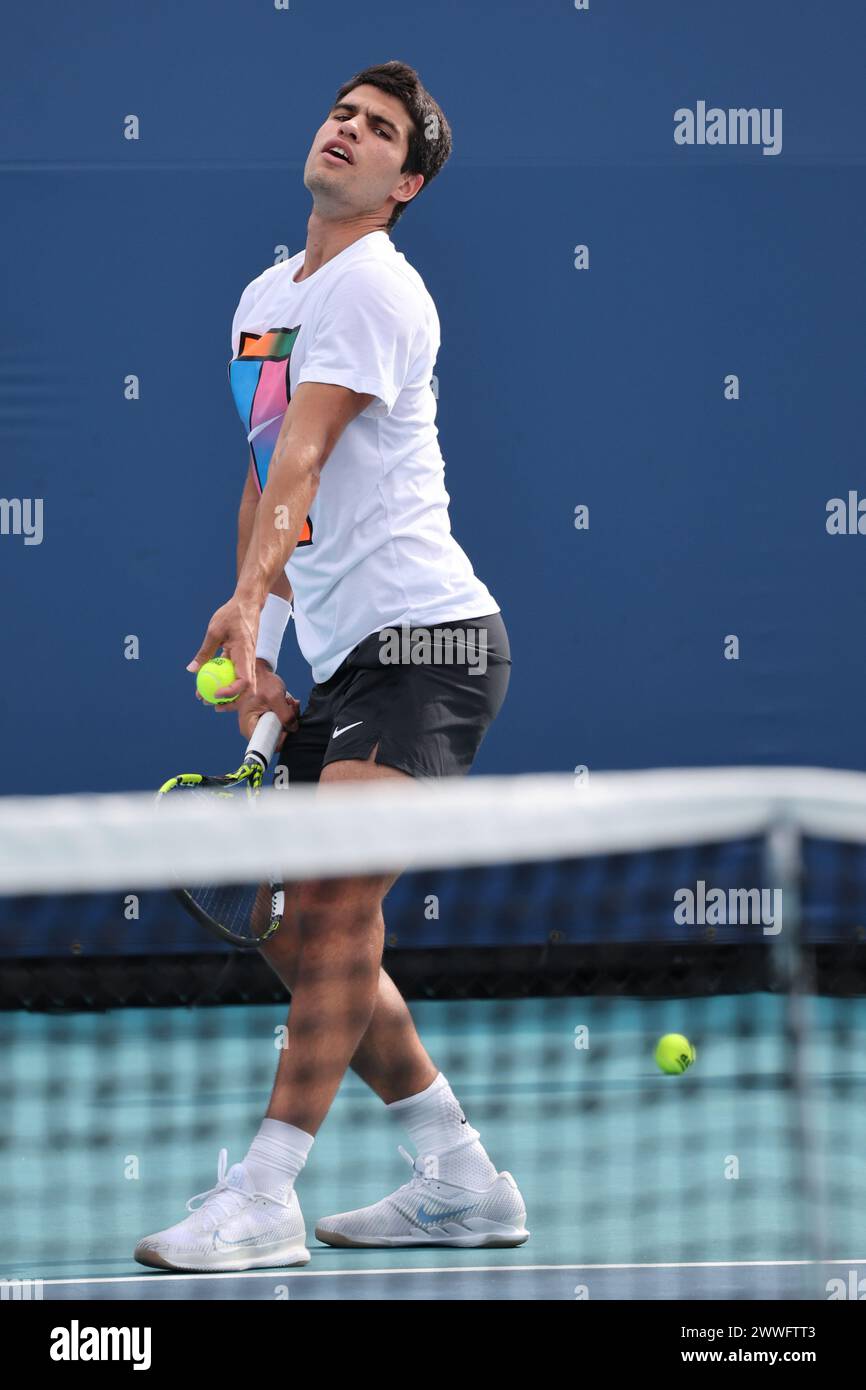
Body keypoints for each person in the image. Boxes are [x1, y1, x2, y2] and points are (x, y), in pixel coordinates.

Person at [135, 60, 527, 1271]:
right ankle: (459, 1172)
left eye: (378, 131)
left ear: (403, 182)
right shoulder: (264, 295)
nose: (346, 132)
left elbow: (307, 455)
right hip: (347, 648)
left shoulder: (374, 289)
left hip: (432, 644)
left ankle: (262, 1196)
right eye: (341, 114)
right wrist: (262, 636)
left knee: (337, 905)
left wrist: (248, 597)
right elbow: (266, 477)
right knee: (279, 926)